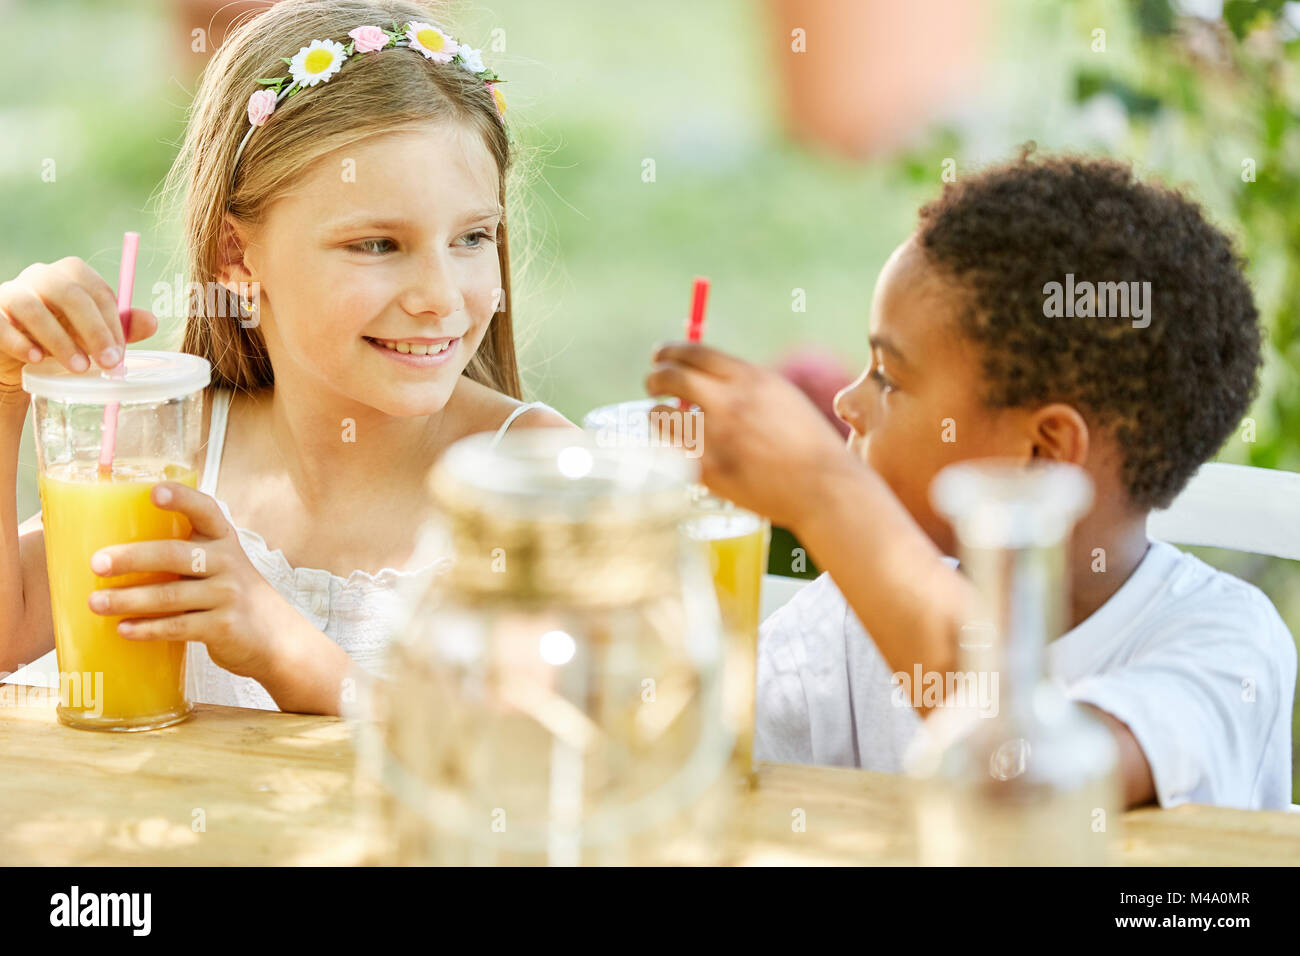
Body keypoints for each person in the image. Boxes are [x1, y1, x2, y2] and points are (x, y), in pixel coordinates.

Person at [646, 151, 1296, 810]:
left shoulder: (1225, 644)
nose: (845, 403)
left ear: (1042, 451)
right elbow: (669, 757)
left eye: (889, 378)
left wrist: (825, 492)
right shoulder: (849, 622)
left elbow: (1028, 775)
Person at [0, 1, 571, 715]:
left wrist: (278, 643)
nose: (440, 297)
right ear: (237, 257)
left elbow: (518, 753)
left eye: (472, 237)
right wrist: (4, 392)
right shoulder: (182, 448)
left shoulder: (543, 477)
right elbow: (9, 630)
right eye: (377, 245)